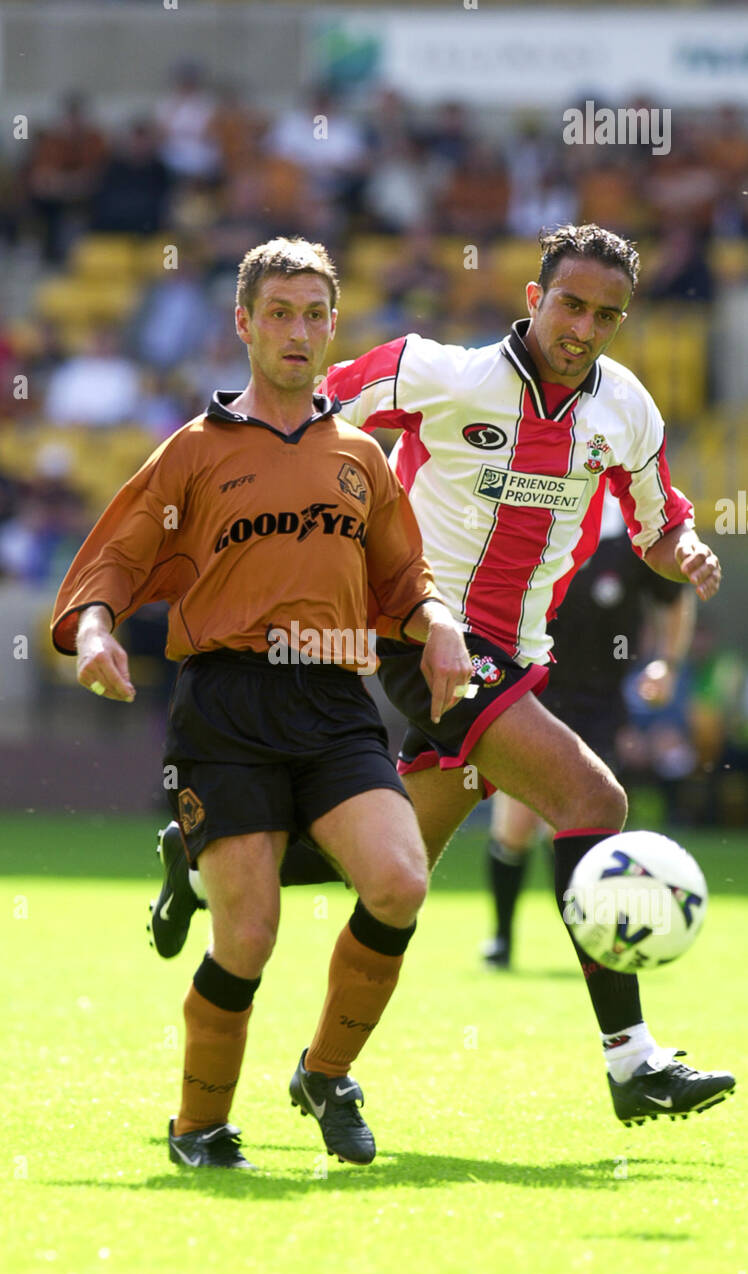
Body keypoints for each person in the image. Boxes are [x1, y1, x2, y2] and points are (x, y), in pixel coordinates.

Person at [151, 223, 735, 1130]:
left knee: (396, 865)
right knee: (594, 801)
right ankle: (633, 1063)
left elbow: (659, 525)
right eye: (571, 304)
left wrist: (686, 550)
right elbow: (302, 409)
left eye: (607, 315)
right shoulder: (442, 374)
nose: (585, 327)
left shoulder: (627, 410)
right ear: (534, 300)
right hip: (423, 640)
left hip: (519, 661)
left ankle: (215, 894)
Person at [51, 237, 471, 1171]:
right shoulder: (194, 452)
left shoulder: (361, 453)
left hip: (332, 696)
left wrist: (439, 622)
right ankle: (197, 1130)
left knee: (401, 880)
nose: (298, 331)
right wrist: (93, 631)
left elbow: (407, 576)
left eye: (315, 314)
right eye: (278, 313)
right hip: (226, 704)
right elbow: (116, 558)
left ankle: (326, 1073)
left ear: (333, 328)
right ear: (243, 324)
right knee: (250, 937)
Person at [482, 489, 696, 969]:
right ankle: (500, 939)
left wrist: (667, 662)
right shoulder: (536, 514)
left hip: (600, 705)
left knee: (588, 824)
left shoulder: (632, 533)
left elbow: (675, 597)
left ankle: (596, 942)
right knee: (516, 826)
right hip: (531, 691)